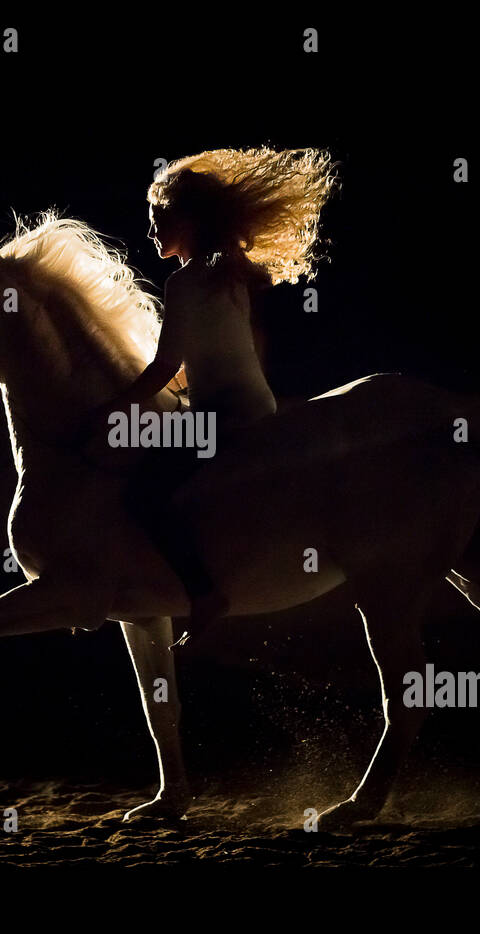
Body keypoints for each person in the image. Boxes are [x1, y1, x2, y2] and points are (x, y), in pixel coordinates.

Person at [92, 147, 338, 642]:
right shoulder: (232, 270)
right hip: (254, 408)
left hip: (221, 421)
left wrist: (115, 405)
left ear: (189, 219)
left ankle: (202, 593)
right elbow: (213, 354)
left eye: (160, 218)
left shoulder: (184, 281)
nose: (152, 230)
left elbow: (165, 367)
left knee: (142, 492)